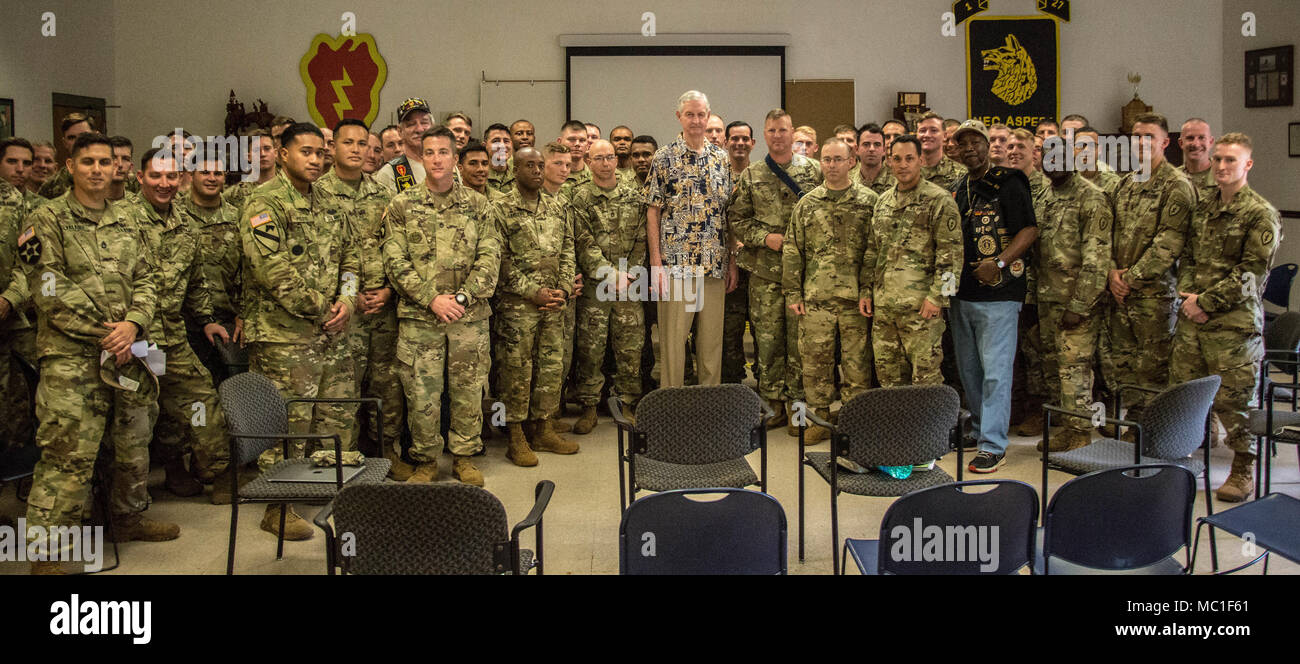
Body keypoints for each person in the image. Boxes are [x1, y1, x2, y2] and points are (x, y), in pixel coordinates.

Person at [19, 133, 177, 573]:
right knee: (68, 454)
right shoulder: (45, 218)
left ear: (115, 168)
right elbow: (47, 287)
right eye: (87, 161)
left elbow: (149, 278)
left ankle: (127, 519)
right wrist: (107, 334)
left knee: (132, 442)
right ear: (70, 167)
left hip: (130, 350)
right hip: (72, 358)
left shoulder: (129, 219)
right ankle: (46, 554)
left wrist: (133, 326)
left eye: (104, 162)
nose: (97, 169)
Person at [237, 123, 359, 540]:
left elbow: (352, 258)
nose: (314, 159)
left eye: (319, 152)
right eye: (304, 151)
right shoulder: (262, 203)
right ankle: (278, 506)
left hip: (332, 331)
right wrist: (323, 308)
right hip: (283, 336)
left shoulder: (330, 199)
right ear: (282, 155)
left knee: (336, 416)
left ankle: (327, 494)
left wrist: (347, 300)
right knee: (289, 424)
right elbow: (274, 272)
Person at [382, 125, 501, 484]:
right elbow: (394, 260)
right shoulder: (402, 204)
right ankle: (425, 461)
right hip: (421, 318)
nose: (437, 159)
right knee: (422, 394)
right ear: (422, 155)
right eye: (430, 152)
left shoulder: (479, 205)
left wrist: (462, 297)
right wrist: (432, 299)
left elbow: (490, 256)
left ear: (455, 158)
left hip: (469, 316)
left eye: (444, 152)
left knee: (469, 390)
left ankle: (464, 456)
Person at [1170, 132, 1278, 502]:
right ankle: (1179, 459)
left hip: (1233, 326)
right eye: (1217, 160)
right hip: (1192, 319)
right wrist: (1188, 297)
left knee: (1236, 401)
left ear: (1247, 165)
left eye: (1230, 160)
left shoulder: (1260, 213)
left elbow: (1252, 275)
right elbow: (1187, 258)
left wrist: (1206, 303)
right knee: (1183, 393)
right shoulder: (1203, 206)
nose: (1221, 166)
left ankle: (1243, 467)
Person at [129, 147, 233, 499]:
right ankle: (133, 494)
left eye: (171, 176)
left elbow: (196, 280)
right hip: (136, 340)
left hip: (171, 337)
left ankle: (214, 473)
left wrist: (206, 320)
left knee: (199, 401)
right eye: (156, 176)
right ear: (140, 177)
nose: (164, 183)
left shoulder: (185, 225)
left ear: (181, 179)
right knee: (140, 413)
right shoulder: (121, 220)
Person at [315, 119, 411, 480]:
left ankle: (387, 454)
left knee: (386, 383)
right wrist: (351, 297)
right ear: (333, 148)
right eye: (348, 143)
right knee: (343, 387)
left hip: (383, 305)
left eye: (363, 144)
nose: (357, 150)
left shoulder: (382, 195)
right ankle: (344, 462)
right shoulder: (317, 194)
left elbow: (397, 247)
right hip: (343, 310)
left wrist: (388, 290)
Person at [949, 120, 1038, 474]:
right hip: (963, 293)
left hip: (1000, 292)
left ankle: (994, 444)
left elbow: (1029, 230)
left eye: (976, 141)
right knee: (969, 370)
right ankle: (977, 429)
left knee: (995, 373)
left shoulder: (1009, 182)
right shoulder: (958, 188)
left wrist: (999, 262)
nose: (969, 148)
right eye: (962, 143)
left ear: (989, 145)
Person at [730, 108, 822, 431]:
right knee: (767, 344)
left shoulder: (813, 171)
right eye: (771, 131)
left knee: (800, 344)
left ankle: (797, 410)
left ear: (792, 132)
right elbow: (737, 220)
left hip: (803, 275)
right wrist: (764, 237)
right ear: (764, 136)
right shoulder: (751, 175)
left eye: (783, 130)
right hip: (765, 274)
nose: (777, 136)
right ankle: (771, 406)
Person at [784, 138, 877, 442]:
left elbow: (876, 251)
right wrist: (793, 293)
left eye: (838, 159)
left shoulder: (869, 202)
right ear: (819, 162)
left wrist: (867, 290)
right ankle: (819, 418)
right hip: (816, 298)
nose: (832, 165)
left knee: (857, 363)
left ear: (852, 161)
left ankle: (855, 419)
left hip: (855, 300)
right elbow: (793, 250)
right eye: (826, 159)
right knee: (815, 361)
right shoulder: (808, 203)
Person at [493, 145, 580, 462]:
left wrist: (564, 288)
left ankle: (542, 429)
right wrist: (532, 292)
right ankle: (516, 436)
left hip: (554, 305)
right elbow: (499, 262)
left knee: (550, 367)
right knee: (516, 371)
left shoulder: (558, 207)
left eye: (541, 165)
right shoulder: (500, 208)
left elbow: (569, 249)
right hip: (518, 308)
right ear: (514, 170)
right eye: (529, 165)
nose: (537, 171)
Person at [1107, 113, 1194, 428]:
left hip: (1154, 297)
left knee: (1153, 368)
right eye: (1136, 137)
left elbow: (1168, 244)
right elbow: (1109, 235)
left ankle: (1154, 431)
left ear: (1165, 142)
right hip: (1121, 295)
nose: (1141, 143)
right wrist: (1111, 273)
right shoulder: (1126, 183)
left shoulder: (1177, 186)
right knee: (1125, 365)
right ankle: (1134, 424)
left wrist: (1127, 279)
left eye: (1149, 138)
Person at [644, 90, 735, 388]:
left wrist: (731, 261)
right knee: (673, 346)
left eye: (701, 114)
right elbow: (653, 212)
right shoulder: (664, 158)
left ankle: (709, 409)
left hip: (714, 264)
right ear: (679, 117)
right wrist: (656, 264)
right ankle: (671, 408)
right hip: (676, 265)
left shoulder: (722, 159)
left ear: (708, 117)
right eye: (690, 114)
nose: (696, 120)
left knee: (711, 346)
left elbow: (728, 213)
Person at [860, 134, 961, 387]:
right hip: (885, 309)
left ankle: (931, 428)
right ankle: (896, 427)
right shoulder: (883, 201)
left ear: (920, 161)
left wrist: (939, 297)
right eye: (897, 159)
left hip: (922, 310)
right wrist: (865, 290)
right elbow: (873, 251)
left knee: (925, 381)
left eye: (909, 158)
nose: (903, 164)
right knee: (889, 380)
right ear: (889, 162)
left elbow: (952, 257)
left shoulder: (939, 200)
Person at [1035, 136, 1114, 453]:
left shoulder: (1091, 198)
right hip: (1047, 297)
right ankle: (1067, 424)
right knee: (1055, 367)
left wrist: (1080, 304)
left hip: (1076, 301)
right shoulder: (1045, 196)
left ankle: (1079, 430)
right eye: (1047, 157)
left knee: (1074, 368)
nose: (1053, 163)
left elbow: (1097, 258)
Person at [569, 139, 645, 433]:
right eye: (598, 158)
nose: (605, 163)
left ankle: (627, 402)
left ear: (616, 160)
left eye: (609, 157)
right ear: (588, 161)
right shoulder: (580, 198)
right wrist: (610, 275)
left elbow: (641, 238)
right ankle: (589, 406)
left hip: (630, 284)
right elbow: (584, 244)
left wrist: (628, 276)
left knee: (630, 347)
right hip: (596, 286)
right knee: (592, 348)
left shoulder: (633, 194)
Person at [722, 121, 757, 384]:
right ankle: (733, 387)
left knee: (762, 331)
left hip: (758, 267)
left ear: (753, 144)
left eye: (745, 138)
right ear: (726, 142)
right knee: (729, 333)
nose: (740, 143)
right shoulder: (718, 177)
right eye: (734, 138)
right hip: (728, 268)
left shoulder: (760, 177)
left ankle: (764, 389)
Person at [374, 98, 434, 194]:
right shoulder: (389, 173)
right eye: (411, 124)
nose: (419, 129)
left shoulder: (447, 165)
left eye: (424, 122)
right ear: (400, 131)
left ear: (432, 126)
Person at [37, 112, 95, 200]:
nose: (78, 142)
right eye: (72, 137)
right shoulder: (52, 186)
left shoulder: (111, 176)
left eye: (84, 136)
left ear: (96, 136)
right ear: (65, 143)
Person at [224, 130, 275, 209]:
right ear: (248, 157)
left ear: (275, 153)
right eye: (256, 150)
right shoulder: (233, 194)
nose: (262, 154)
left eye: (267, 148)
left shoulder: (291, 187)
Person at [917, 112, 965, 189]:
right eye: (922, 130)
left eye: (934, 130)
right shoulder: (905, 170)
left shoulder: (961, 174)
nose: (927, 135)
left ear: (944, 135)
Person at [852, 123, 896, 194]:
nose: (872, 149)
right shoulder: (847, 180)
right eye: (866, 144)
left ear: (884, 150)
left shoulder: (897, 181)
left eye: (877, 145)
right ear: (857, 149)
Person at [1178, 117, 1216, 198]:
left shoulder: (1225, 177)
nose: (1196, 144)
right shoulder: (1171, 179)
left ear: (1211, 142)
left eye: (1202, 138)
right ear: (1181, 143)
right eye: (1190, 138)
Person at [483, 123, 514, 192]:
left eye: (506, 141)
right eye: (496, 141)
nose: (502, 146)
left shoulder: (519, 174)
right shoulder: (479, 174)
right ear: (484, 146)